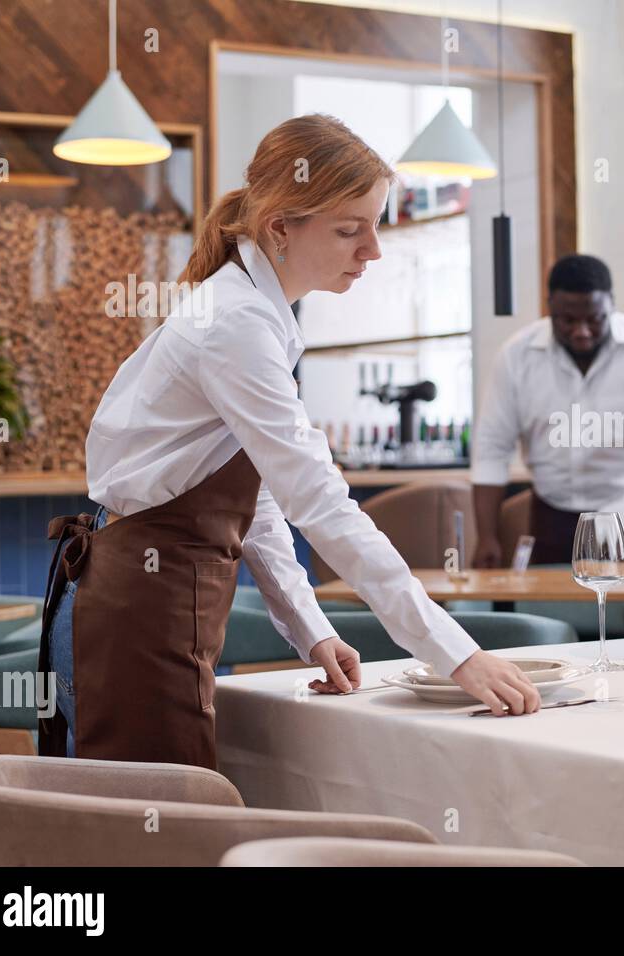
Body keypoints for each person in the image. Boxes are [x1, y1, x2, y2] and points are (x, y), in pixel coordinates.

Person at [39, 115, 540, 770]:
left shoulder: (255, 312)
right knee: (159, 835)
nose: (373, 250)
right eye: (349, 228)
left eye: (376, 224)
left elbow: (264, 505)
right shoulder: (237, 322)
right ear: (280, 226)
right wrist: (454, 653)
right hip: (141, 612)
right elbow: (321, 505)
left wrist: (312, 630)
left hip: (152, 605)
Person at [471, 254, 624, 566]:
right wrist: (486, 536)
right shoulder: (516, 357)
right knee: (548, 610)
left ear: (611, 305)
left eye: (594, 319)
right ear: (549, 306)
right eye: (568, 320)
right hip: (551, 514)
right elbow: (491, 450)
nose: (582, 331)